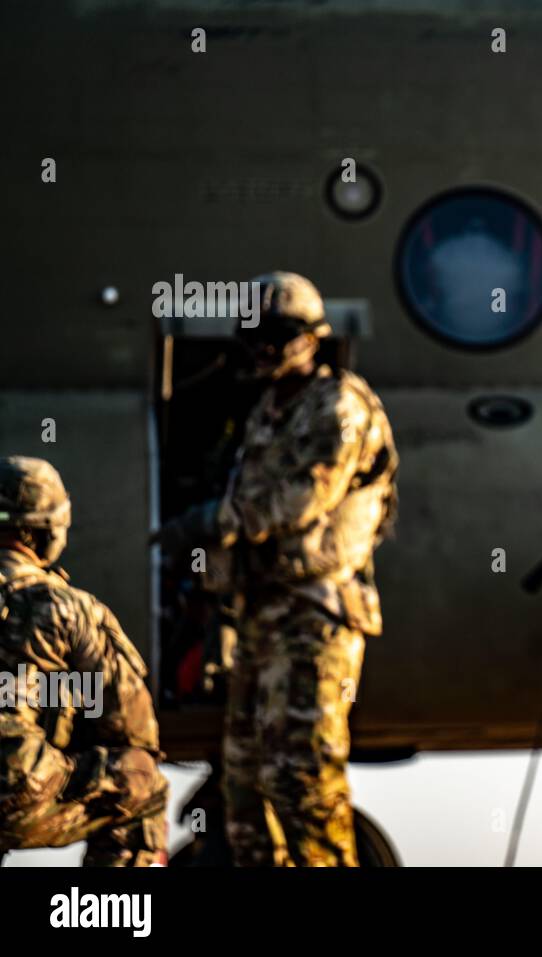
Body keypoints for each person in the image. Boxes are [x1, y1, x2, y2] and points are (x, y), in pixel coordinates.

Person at [156, 272, 397, 866]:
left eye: (277, 333)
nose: (264, 346)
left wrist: (214, 519)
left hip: (315, 613)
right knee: (245, 787)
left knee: (302, 779)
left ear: (310, 336)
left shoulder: (340, 403)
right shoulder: (268, 410)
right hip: (262, 613)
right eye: (255, 335)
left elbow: (300, 499)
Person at [0, 456, 168, 866]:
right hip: (15, 799)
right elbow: (132, 731)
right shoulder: (68, 609)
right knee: (142, 782)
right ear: (48, 532)